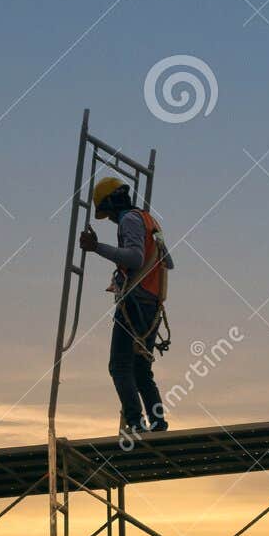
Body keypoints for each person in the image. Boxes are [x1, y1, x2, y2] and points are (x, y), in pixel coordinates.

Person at [80, 176, 173, 437]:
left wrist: (96, 247)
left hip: (135, 301)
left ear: (112, 203)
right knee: (141, 368)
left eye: (107, 212)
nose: (109, 219)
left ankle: (135, 423)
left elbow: (134, 258)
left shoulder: (129, 220)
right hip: (152, 302)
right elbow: (169, 261)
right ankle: (157, 424)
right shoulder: (149, 220)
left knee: (119, 366)